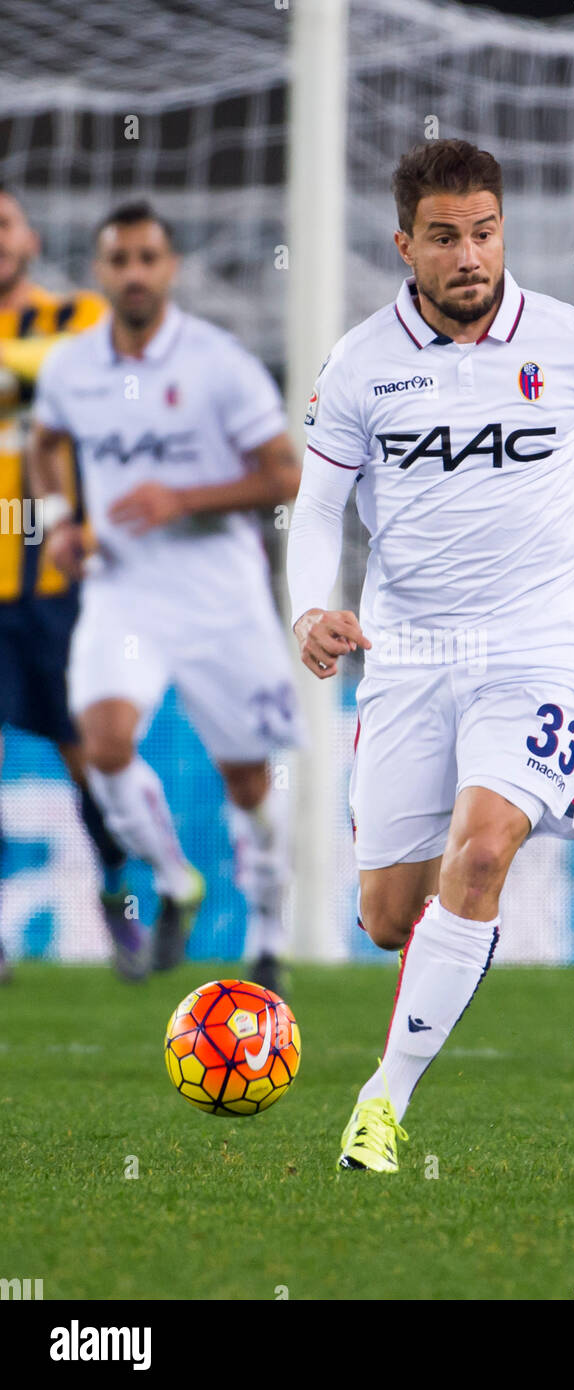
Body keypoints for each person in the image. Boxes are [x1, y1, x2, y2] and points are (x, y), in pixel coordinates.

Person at [287, 139, 574, 1172]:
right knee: (385, 916)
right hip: (409, 650)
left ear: (500, 228)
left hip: (540, 638)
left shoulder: (573, 343)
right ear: (404, 245)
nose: (468, 254)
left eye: (484, 231)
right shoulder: (359, 362)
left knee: (479, 853)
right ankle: (448, 946)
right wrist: (307, 611)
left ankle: (381, 1103)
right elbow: (319, 502)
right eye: (443, 237)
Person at [29, 201, 304, 994]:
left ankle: (267, 937)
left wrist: (183, 499)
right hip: (123, 592)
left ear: (171, 267)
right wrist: (61, 522)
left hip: (221, 595)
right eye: (120, 261)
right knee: (105, 746)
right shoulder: (72, 366)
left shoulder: (219, 363)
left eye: (149, 258)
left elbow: (284, 474)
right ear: (100, 273)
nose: (136, 274)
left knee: (250, 779)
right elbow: (46, 443)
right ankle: (177, 880)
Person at [0, 184, 136, 982]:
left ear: (31, 236)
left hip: (56, 583)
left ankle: (116, 890)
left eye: (4, 223)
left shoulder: (77, 319)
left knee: (88, 753)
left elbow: (85, 382)